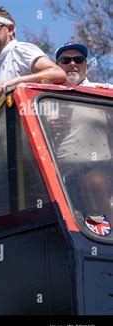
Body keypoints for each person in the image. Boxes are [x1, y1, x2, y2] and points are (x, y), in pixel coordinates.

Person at [48, 42, 112, 222]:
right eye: (65, 60)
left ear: (87, 66)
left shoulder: (103, 92)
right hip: (63, 178)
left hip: (101, 170)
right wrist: (50, 131)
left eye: (78, 59)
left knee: (94, 183)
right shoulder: (44, 100)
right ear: (57, 67)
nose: (72, 64)